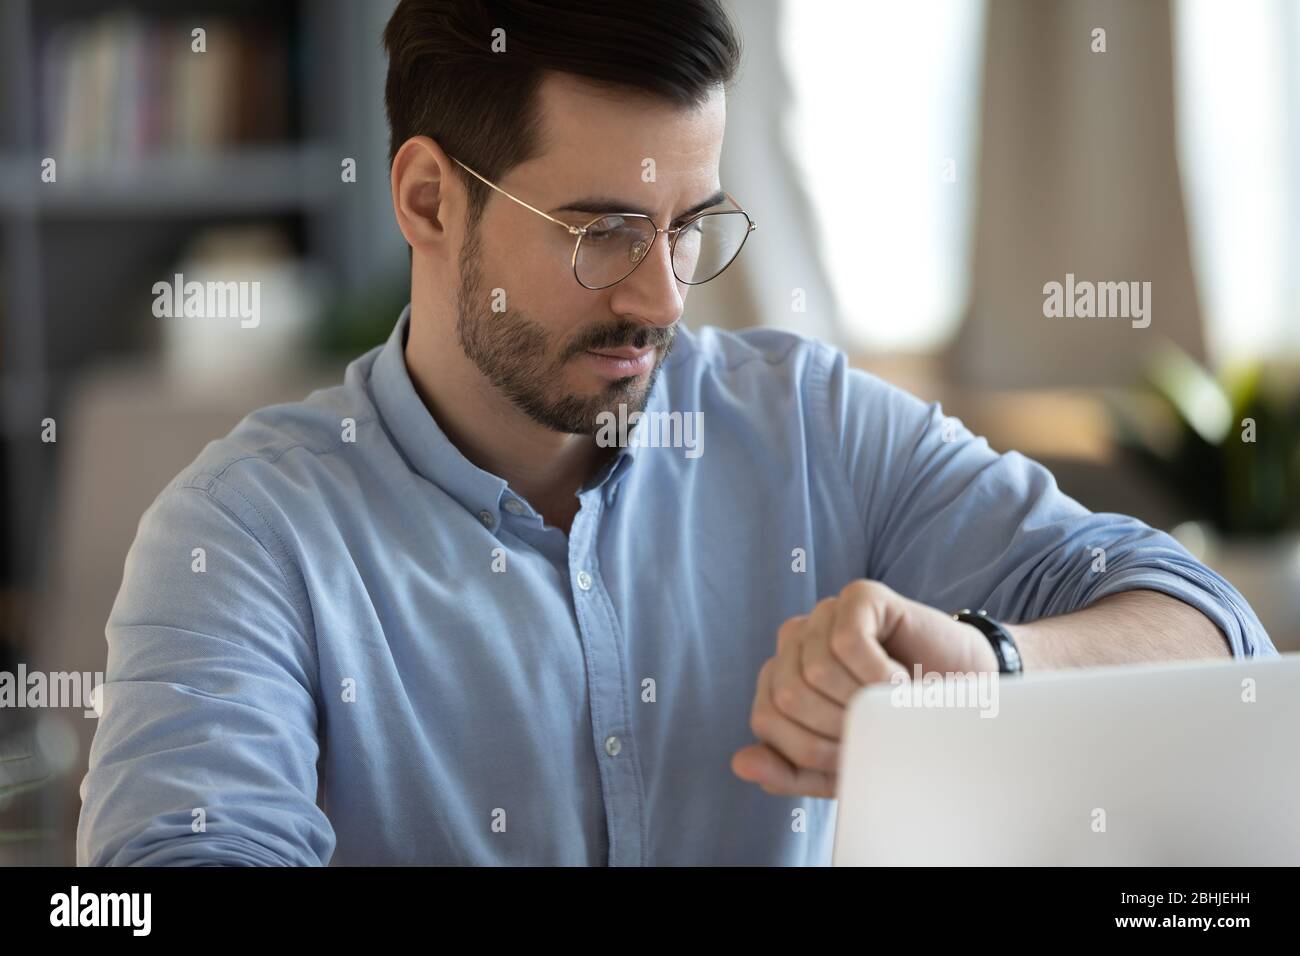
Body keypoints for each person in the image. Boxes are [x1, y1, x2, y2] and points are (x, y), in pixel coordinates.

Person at [77, 0, 1275, 867]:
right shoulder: (242, 533)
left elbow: (1206, 628)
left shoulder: (807, 423)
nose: (660, 298)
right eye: (600, 231)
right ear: (429, 199)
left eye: (690, 225)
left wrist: (992, 663)